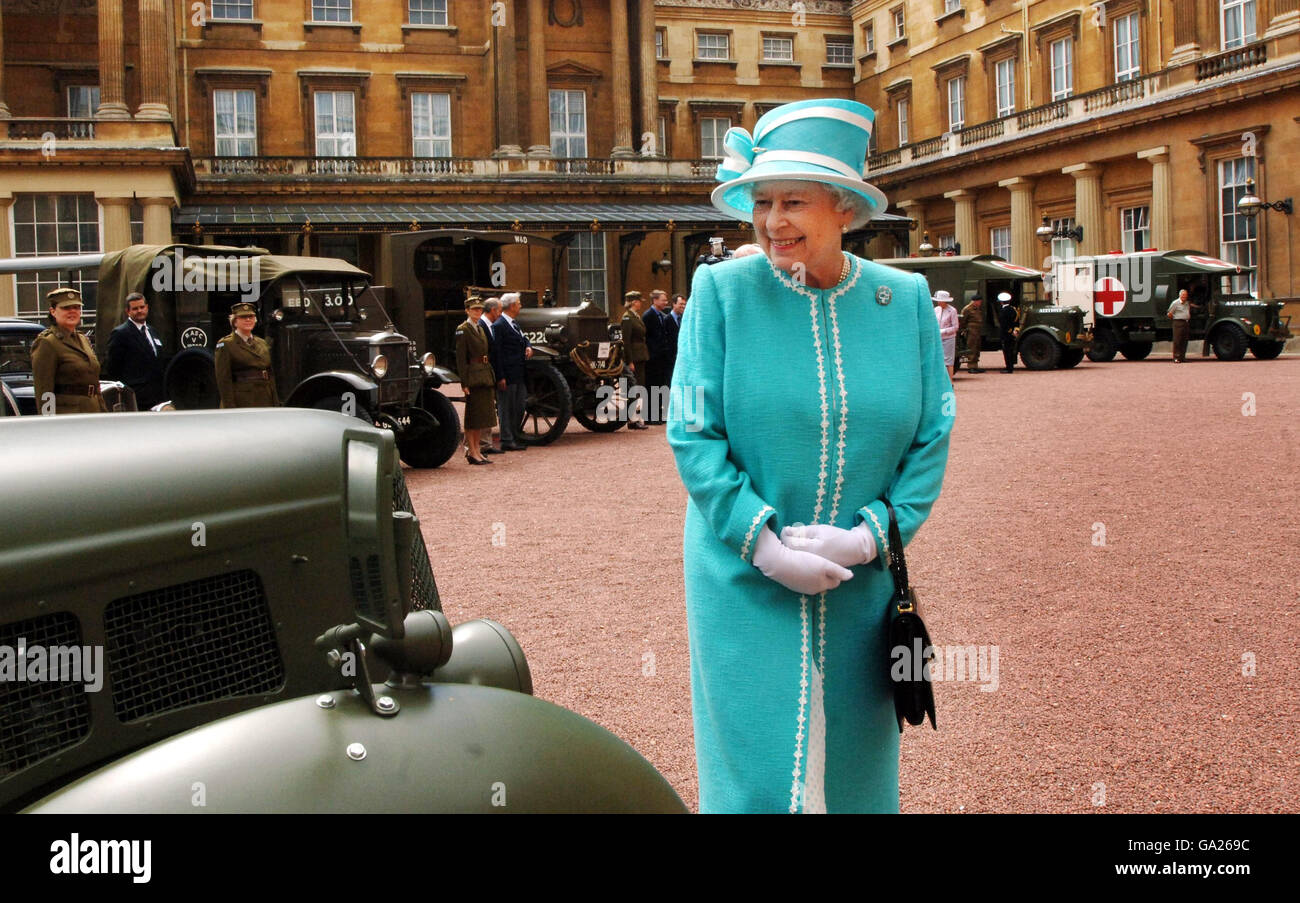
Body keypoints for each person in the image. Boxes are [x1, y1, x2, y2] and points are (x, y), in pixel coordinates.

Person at [667, 98, 952, 813]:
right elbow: (692, 432)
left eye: (793, 201)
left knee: (854, 774)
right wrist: (763, 544)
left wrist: (871, 535)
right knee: (757, 776)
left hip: (861, 585)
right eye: (763, 201)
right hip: (741, 578)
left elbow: (931, 434)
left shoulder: (906, 298)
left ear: (846, 210)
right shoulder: (722, 291)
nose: (772, 221)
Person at [30, 287, 107, 414]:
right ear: (53, 311)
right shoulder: (48, 343)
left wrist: (103, 413)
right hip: (67, 415)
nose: (72, 312)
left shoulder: (83, 339)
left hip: (92, 412)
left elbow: (94, 384)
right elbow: (44, 391)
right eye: (66, 308)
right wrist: (48, 424)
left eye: (76, 307)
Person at [105, 291, 166, 409]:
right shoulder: (120, 333)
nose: (139, 311)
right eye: (135, 308)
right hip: (135, 397)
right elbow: (113, 368)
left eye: (142, 307)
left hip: (157, 396)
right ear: (128, 311)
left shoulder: (152, 331)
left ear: (147, 307)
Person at [455, 296, 497, 465]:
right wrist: (464, 382)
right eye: (474, 309)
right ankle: (471, 451)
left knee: (482, 417)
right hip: (473, 376)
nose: (477, 312)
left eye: (479, 309)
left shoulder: (479, 328)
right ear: (467, 310)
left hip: (484, 374)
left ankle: (477, 450)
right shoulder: (463, 329)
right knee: (473, 417)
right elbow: (460, 357)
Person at [214, 301, 278, 408]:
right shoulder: (226, 344)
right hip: (242, 401)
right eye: (243, 317)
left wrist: (275, 403)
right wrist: (230, 408)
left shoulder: (262, 343)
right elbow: (223, 380)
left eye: (251, 316)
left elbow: (270, 374)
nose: (248, 319)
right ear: (235, 322)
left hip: (265, 399)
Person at [494, 292, 532, 451]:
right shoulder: (499, 325)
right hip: (507, 374)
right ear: (511, 306)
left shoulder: (514, 323)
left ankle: (515, 435)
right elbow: (496, 353)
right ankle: (507, 439)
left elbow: (523, 338)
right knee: (506, 407)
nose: (520, 305)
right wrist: (500, 376)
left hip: (518, 372)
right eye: (518, 303)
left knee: (519, 405)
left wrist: (528, 346)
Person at [479, 297, 505, 454]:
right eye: (500, 310)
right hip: (483, 372)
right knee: (482, 409)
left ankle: (485, 443)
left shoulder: (489, 326)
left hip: (489, 372)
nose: (501, 313)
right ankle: (481, 444)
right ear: (494, 310)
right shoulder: (481, 326)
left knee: (488, 409)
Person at [620, 291, 650, 430]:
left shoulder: (635, 317)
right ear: (633, 302)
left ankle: (635, 418)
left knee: (639, 388)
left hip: (640, 356)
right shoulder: (627, 318)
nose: (640, 303)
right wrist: (629, 361)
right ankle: (632, 419)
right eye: (638, 300)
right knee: (634, 389)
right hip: (634, 358)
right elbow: (626, 341)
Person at [643, 289, 672, 423]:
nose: (666, 302)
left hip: (661, 357)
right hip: (653, 358)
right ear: (655, 300)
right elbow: (647, 337)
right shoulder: (648, 316)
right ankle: (650, 416)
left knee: (660, 386)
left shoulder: (662, 315)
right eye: (663, 300)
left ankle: (658, 415)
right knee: (652, 387)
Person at [933, 290, 959, 380]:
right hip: (937, 338)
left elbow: (955, 327)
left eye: (940, 300)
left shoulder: (952, 311)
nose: (938, 302)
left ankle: (950, 381)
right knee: (938, 360)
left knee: (948, 361)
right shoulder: (936, 310)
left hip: (949, 339)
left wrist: (943, 331)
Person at [1166, 288, 1198, 363]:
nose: (1184, 296)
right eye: (1183, 295)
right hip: (1178, 322)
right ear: (1180, 295)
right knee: (1177, 340)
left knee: (1184, 340)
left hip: (1186, 323)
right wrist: (1175, 318)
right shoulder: (1175, 303)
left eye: (1185, 295)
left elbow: (1191, 306)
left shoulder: (1187, 303)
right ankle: (1176, 358)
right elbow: (1169, 313)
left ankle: (1182, 357)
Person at [960, 294, 985, 373]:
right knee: (971, 348)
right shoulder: (967, 309)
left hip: (977, 331)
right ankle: (971, 367)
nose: (980, 303)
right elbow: (963, 320)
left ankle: (975, 366)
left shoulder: (977, 308)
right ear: (975, 301)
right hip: (971, 331)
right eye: (979, 301)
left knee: (977, 348)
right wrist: (965, 330)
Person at [996, 291, 1018, 373]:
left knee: (1007, 351)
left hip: (1006, 334)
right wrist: (1013, 331)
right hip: (1011, 333)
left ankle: (1009, 368)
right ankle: (1010, 366)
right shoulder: (1013, 309)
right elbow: (1016, 321)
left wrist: (1009, 331)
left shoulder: (1004, 311)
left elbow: (1004, 324)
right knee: (1010, 350)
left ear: (1001, 302)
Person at [665, 293, 684, 388]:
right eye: (681, 304)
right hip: (670, 358)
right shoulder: (666, 320)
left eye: (684, 304)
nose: (683, 306)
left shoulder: (683, 319)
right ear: (674, 304)